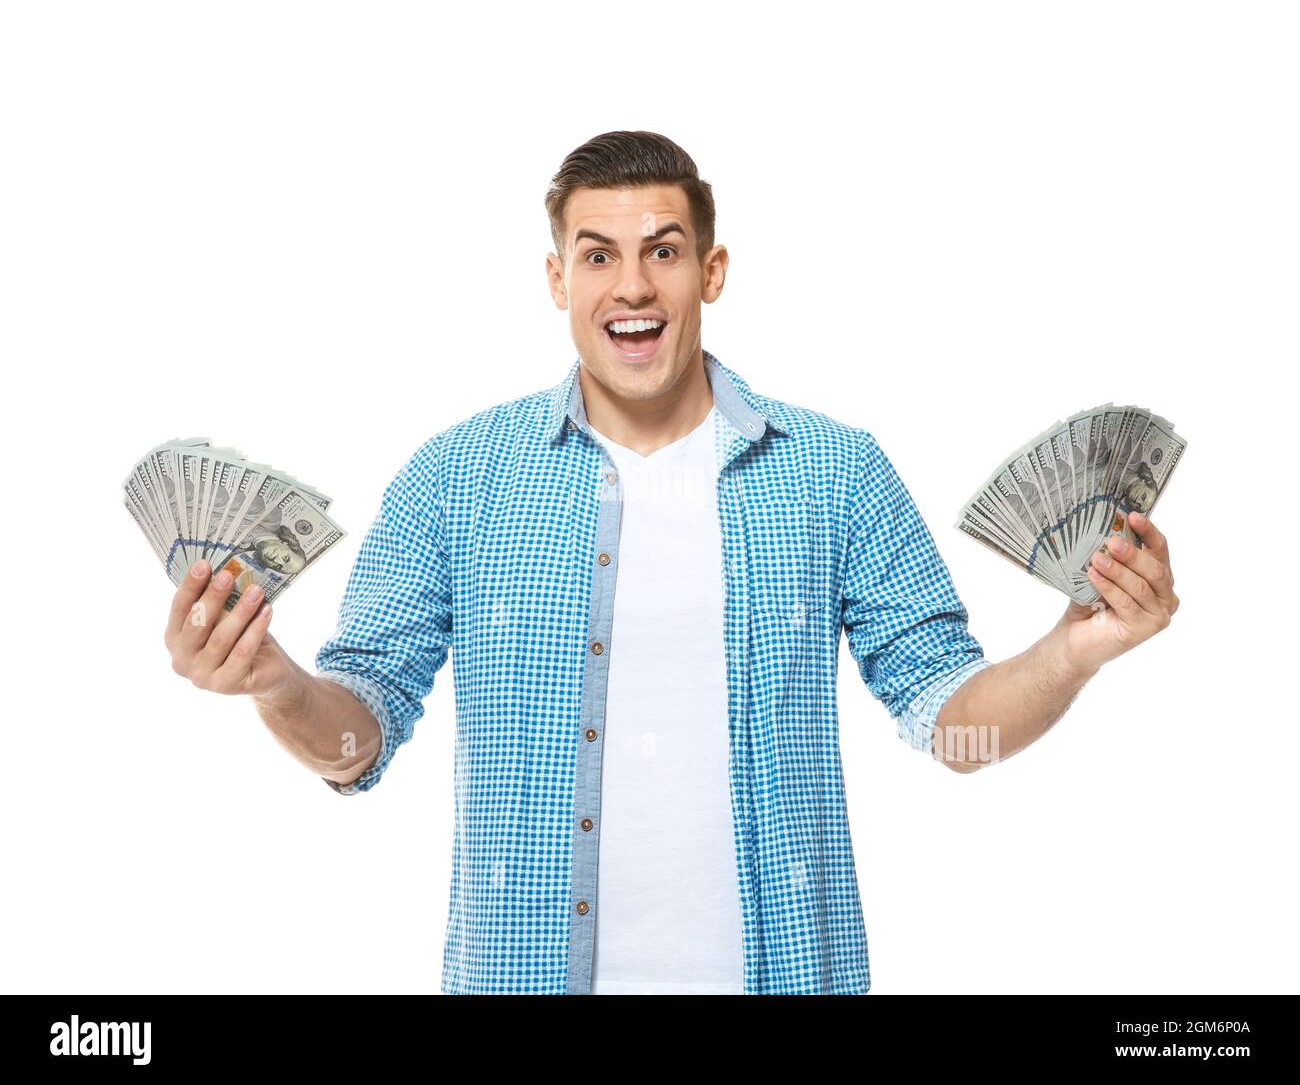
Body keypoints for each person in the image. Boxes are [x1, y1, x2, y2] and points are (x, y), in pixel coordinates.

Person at [162, 130, 1181, 995]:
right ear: (557, 278)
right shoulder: (455, 477)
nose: (633, 285)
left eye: (663, 250)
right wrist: (273, 680)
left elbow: (952, 729)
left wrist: (1072, 649)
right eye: (597, 255)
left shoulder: (833, 471)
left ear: (713, 270)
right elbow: (360, 743)